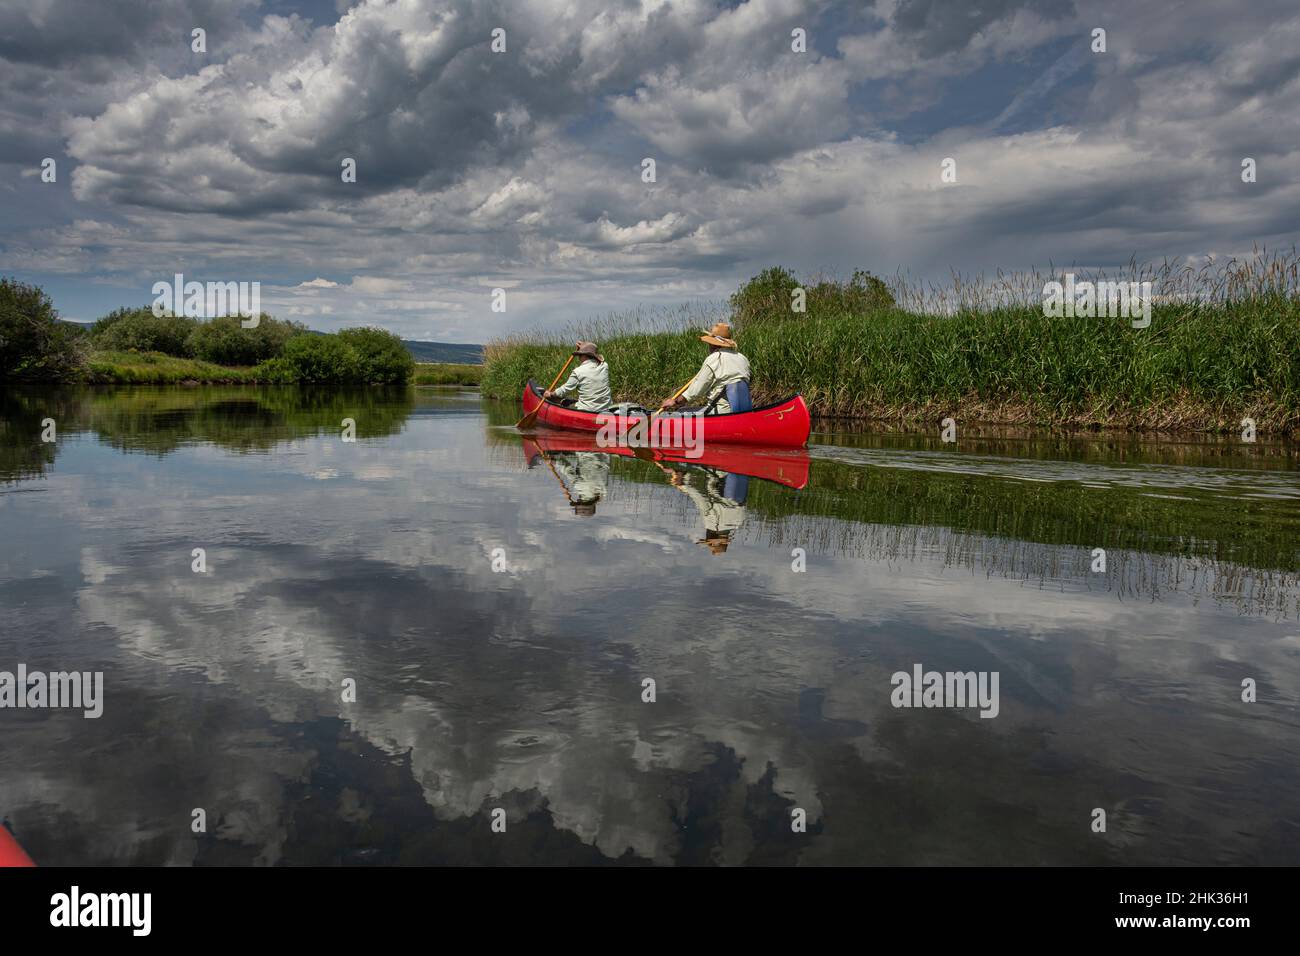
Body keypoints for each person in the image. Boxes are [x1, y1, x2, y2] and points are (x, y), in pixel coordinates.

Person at [659, 322, 751, 415]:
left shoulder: (714, 359)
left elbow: (696, 390)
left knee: (680, 412)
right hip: (743, 412)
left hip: (721, 412)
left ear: (713, 344)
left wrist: (675, 402)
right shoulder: (742, 358)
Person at [545, 341, 611, 412]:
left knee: (563, 401)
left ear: (584, 355)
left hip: (587, 409)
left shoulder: (578, 372)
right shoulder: (604, 366)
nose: (579, 358)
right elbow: (600, 360)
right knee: (571, 399)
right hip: (604, 408)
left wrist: (551, 394)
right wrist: (585, 346)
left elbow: (565, 390)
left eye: (580, 355)